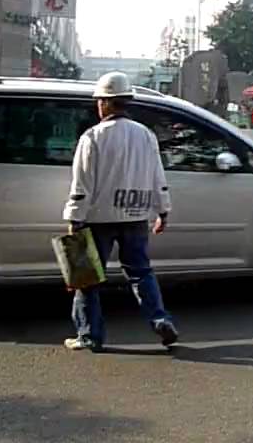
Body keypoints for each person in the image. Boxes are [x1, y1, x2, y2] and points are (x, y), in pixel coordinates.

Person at [63, 72, 178, 352]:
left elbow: (82, 183)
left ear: (105, 103)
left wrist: (74, 218)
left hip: (98, 219)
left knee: (87, 278)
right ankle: (160, 318)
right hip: (136, 216)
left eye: (100, 101)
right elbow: (157, 176)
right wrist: (163, 211)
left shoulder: (92, 137)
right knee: (141, 273)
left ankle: (89, 335)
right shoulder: (146, 135)